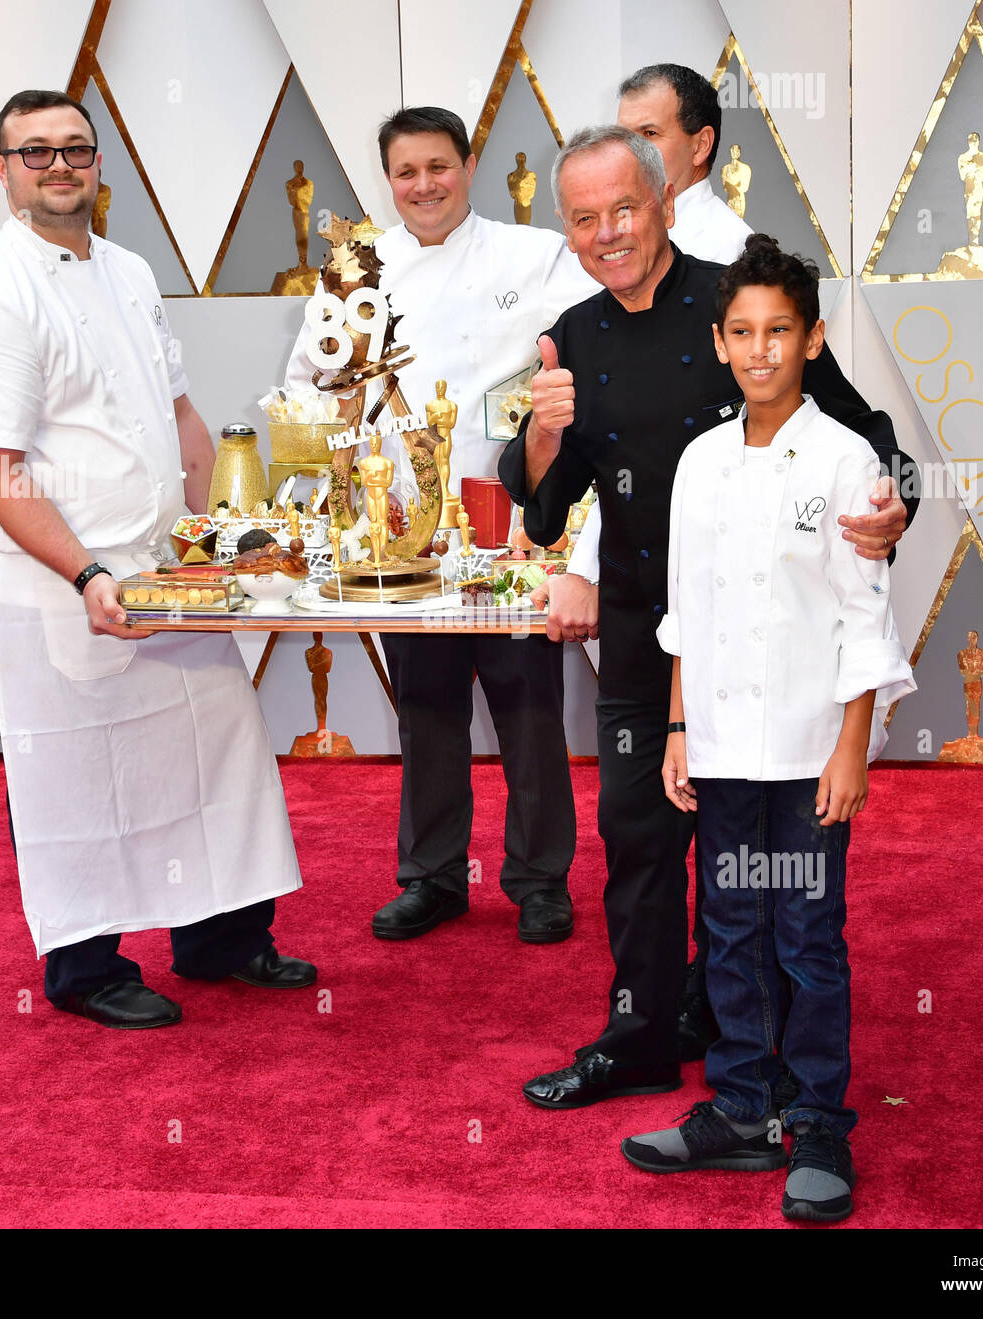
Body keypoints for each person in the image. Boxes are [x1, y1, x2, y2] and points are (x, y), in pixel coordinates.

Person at [498, 125, 919, 1108]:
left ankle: (752, 1047)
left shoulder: (735, 309)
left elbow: (868, 441)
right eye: (584, 218)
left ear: (664, 204)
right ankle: (640, 1034)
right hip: (657, 640)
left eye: (623, 209)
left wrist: (893, 502)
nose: (607, 232)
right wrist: (543, 430)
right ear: (568, 230)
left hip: (775, 650)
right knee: (640, 841)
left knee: (763, 870)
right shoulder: (574, 335)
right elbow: (542, 507)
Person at [0, 89, 312, 1030]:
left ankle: (222, 939)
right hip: (53, 586)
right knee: (76, 773)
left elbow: (178, 414)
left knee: (212, 742)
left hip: (160, 570)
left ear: (98, 163)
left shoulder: (131, 270)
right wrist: (88, 575)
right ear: (2, 170)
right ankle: (86, 967)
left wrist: (217, 531)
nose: (59, 166)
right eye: (36, 153)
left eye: (76, 149)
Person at [620, 235, 915, 1222]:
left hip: (805, 751)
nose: (758, 350)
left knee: (806, 933)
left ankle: (820, 1116)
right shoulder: (699, 462)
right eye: (741, 331)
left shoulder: (844, 459)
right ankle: (744, 1105)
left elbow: (861, 612)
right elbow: (684, 612)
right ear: (718, 342)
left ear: (811, 338)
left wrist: (849, 747)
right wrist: (674, 728)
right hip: (718, 745)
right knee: (730, 923)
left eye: (778, 331)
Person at [284, 106, 597, 944]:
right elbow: (313, 385)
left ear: (468, 165)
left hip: (506, 522)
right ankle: (431, 877)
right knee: (424, 708)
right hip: (401, 531)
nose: (423, 185)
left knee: (528, 705)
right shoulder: (357, 270)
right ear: (387, 180)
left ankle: (539, 879)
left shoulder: (536, 257)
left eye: (438, 167)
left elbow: (580, 359)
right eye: (406, 172)